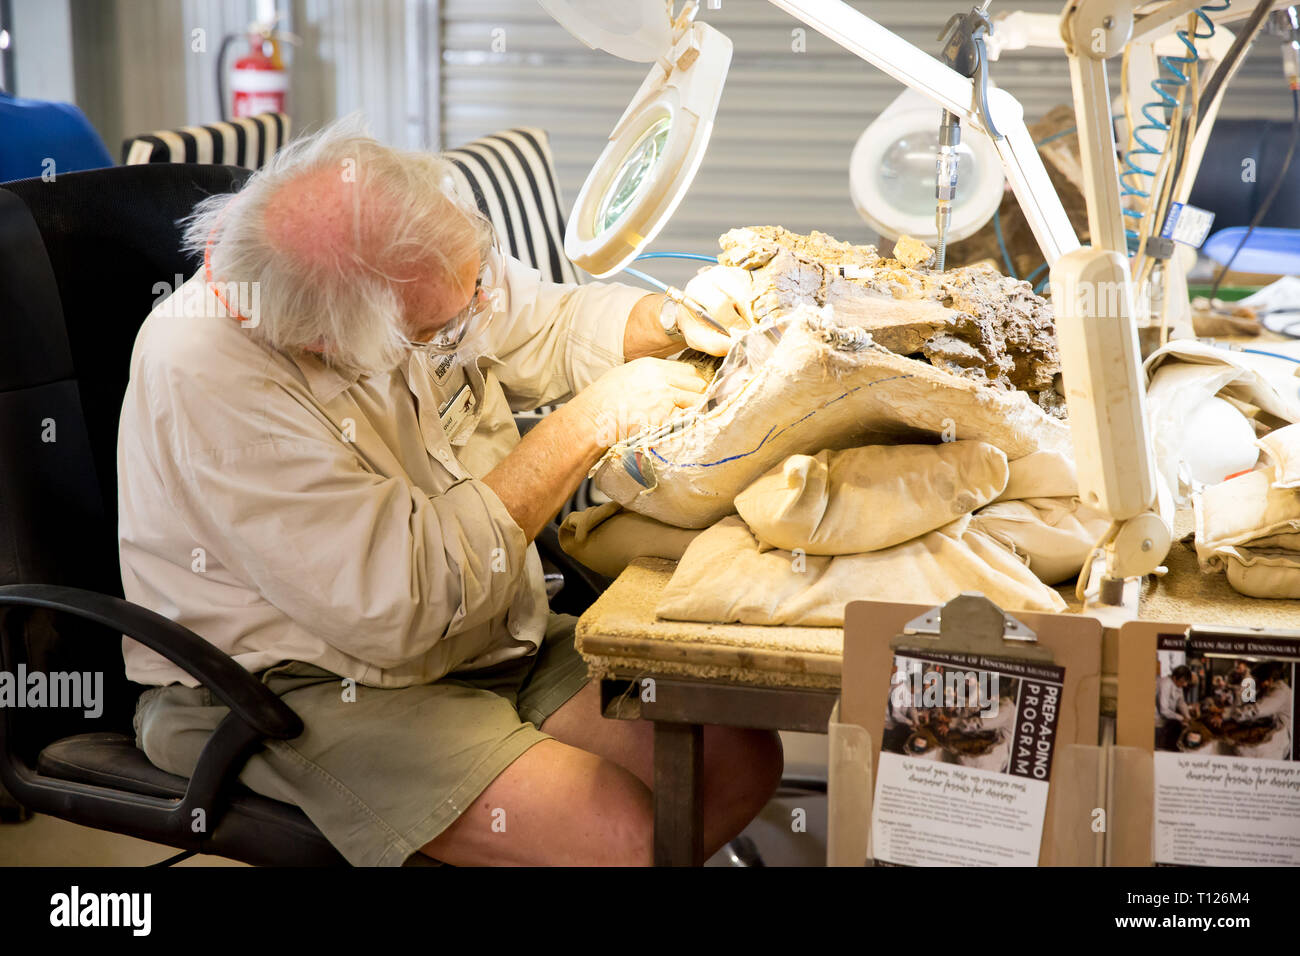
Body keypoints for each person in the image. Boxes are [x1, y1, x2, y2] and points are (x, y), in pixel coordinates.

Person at [120, 116, 780, 866]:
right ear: (335, 344)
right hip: (296, 681)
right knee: (619, 836)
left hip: (482, 633)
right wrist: (584, 427)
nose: (478, 307)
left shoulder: (401, 260)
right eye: (445, 320)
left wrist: (664, 319)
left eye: (474, 278)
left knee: (730, 759)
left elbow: (547, 322)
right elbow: (401, 604)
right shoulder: (214, 377)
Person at [1155, 665, 1193, 751]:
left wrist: (1188, 716)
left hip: (1166, 721)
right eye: (1182, 682)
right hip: (1157, 723)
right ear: (1175, 678)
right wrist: (1181, 718)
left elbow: (1181, 702)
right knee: (1160, 749)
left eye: (1185, 682)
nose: (1184, 685)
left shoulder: (1178, 685)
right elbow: (1164, 710)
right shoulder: (1165, 684)